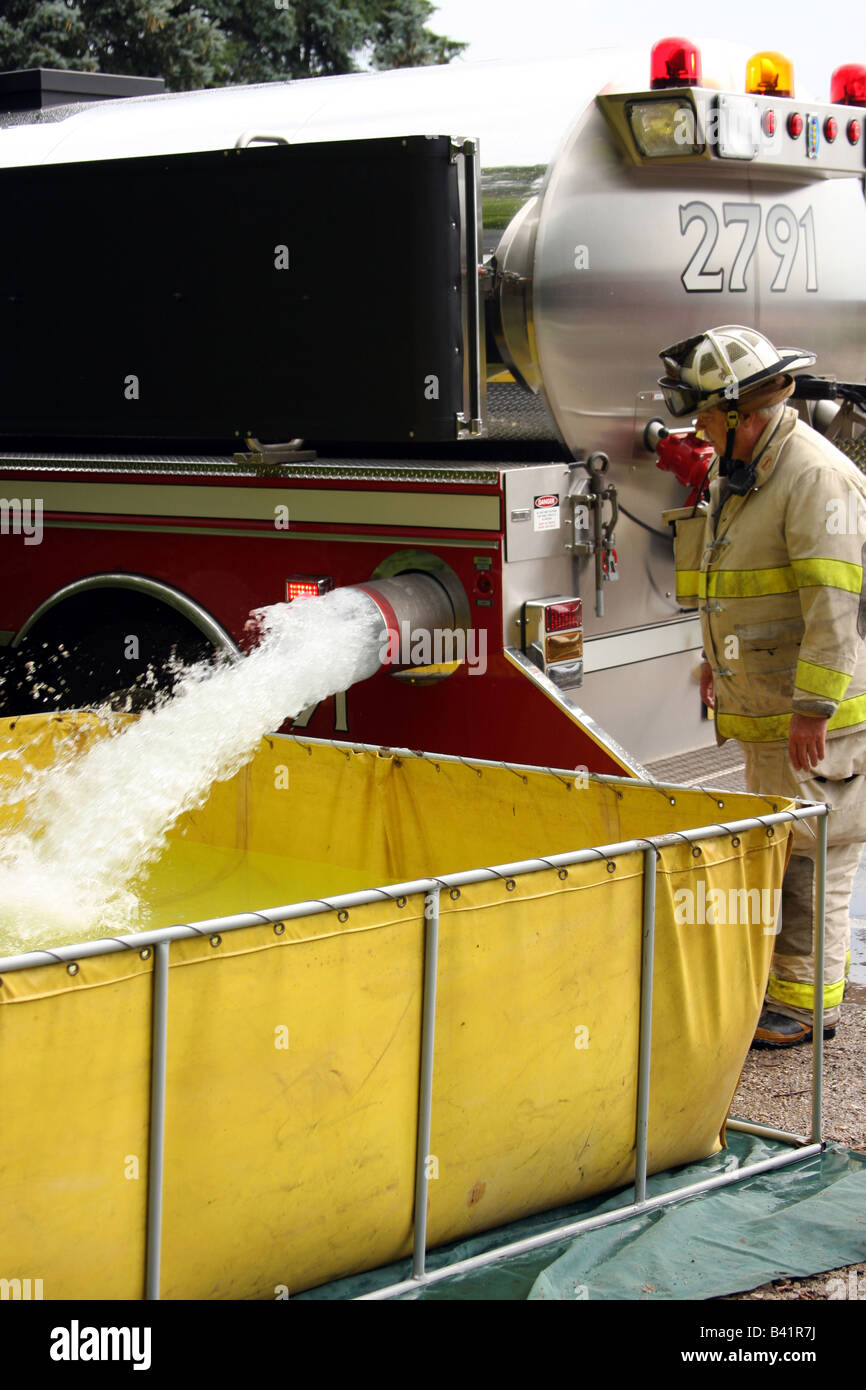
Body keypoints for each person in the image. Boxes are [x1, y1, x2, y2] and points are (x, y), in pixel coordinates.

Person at [657, 325, 866, 1047]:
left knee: (817, 855)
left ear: (743, 412)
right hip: (770, 711)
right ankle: (782, 994)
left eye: (704, 415)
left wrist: (813, 708)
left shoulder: (813, 477)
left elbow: (833, 604)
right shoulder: (743, 469)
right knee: (785, 851)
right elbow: (733, 584)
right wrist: (718, 662)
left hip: (817, 717)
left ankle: (811, 1009)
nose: (696, 428)